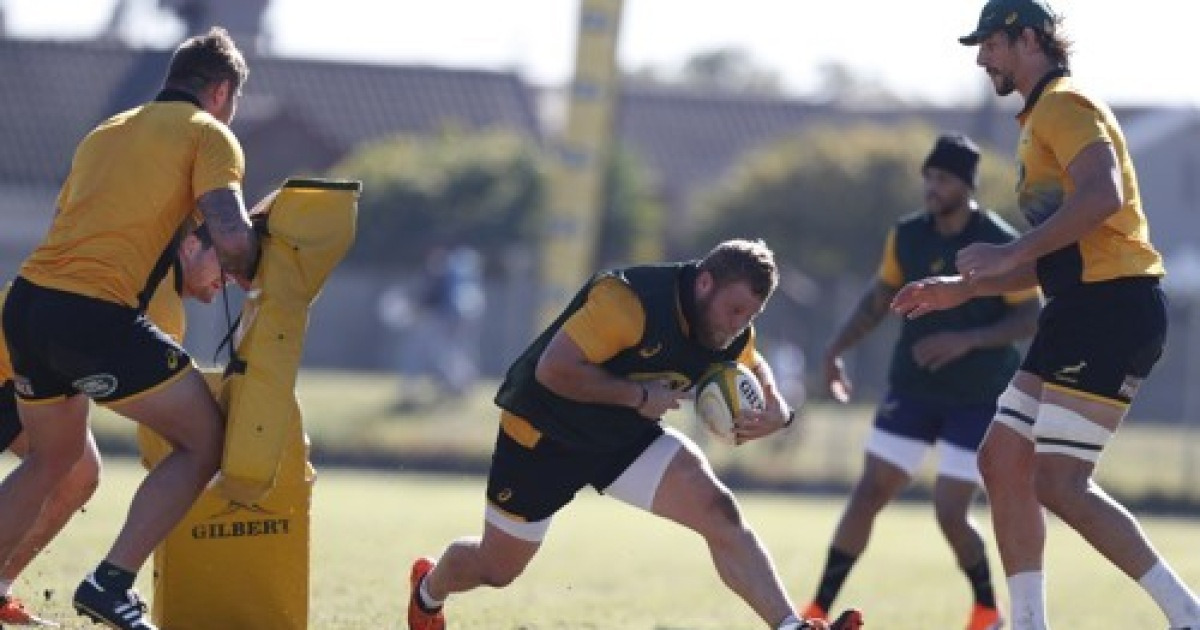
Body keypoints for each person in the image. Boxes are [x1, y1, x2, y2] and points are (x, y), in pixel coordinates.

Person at [893, 1, 1200, 627]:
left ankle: (1188, 614)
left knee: (1060, 482)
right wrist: (965, 289)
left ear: (1028, 38)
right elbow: (1064, 248)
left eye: (991, 44)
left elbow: (1103, 195)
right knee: (1002, 459)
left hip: (1113, 308)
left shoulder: (1063, 103)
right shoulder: (1037, 120)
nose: (981, 58)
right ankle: (1029, 623)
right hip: (1081, 306)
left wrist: (1007, 250)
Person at [406, 239, 864, 630]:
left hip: (623, 436)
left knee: (719, 512)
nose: (737, 326)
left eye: (750, 316)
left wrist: (778, 409)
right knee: (496, 568)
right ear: (704, 282)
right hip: (543, 434)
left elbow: (752, 357)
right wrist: (638, 397)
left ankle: (791, 626)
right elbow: (554, 369)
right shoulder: (629, 300)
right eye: (734, 311)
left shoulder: (728, 327)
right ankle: (428, 590)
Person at [0, 27, 259, 630]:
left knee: (53, 459)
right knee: (203, 440)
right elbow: (231, 237)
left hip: (28, 303)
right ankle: (110, 583)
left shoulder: (107, 131)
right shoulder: (211, 135)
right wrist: (257, 262)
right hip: (91, 313)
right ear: (220, 92)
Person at [803, 133, 1040, 630]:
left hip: (975, 397)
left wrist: (968, 339)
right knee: (868, 494)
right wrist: (835, 349)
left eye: (944, 179)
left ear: (966, 186)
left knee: (950, 512)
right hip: (912, 388)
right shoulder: (907, 235)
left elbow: (1028, 319)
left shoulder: (997, 240)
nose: (932, 187)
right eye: (929, 177)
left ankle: (986, 612)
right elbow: (878, 298)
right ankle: (818, 609)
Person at [0, 225, 226, 626]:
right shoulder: (158, 299)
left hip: (18, 371)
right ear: (191, 245)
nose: (232, 278)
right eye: (226, 263)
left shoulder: (161, 293)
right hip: (10, 368)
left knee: (77, 473)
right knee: (69, 467)